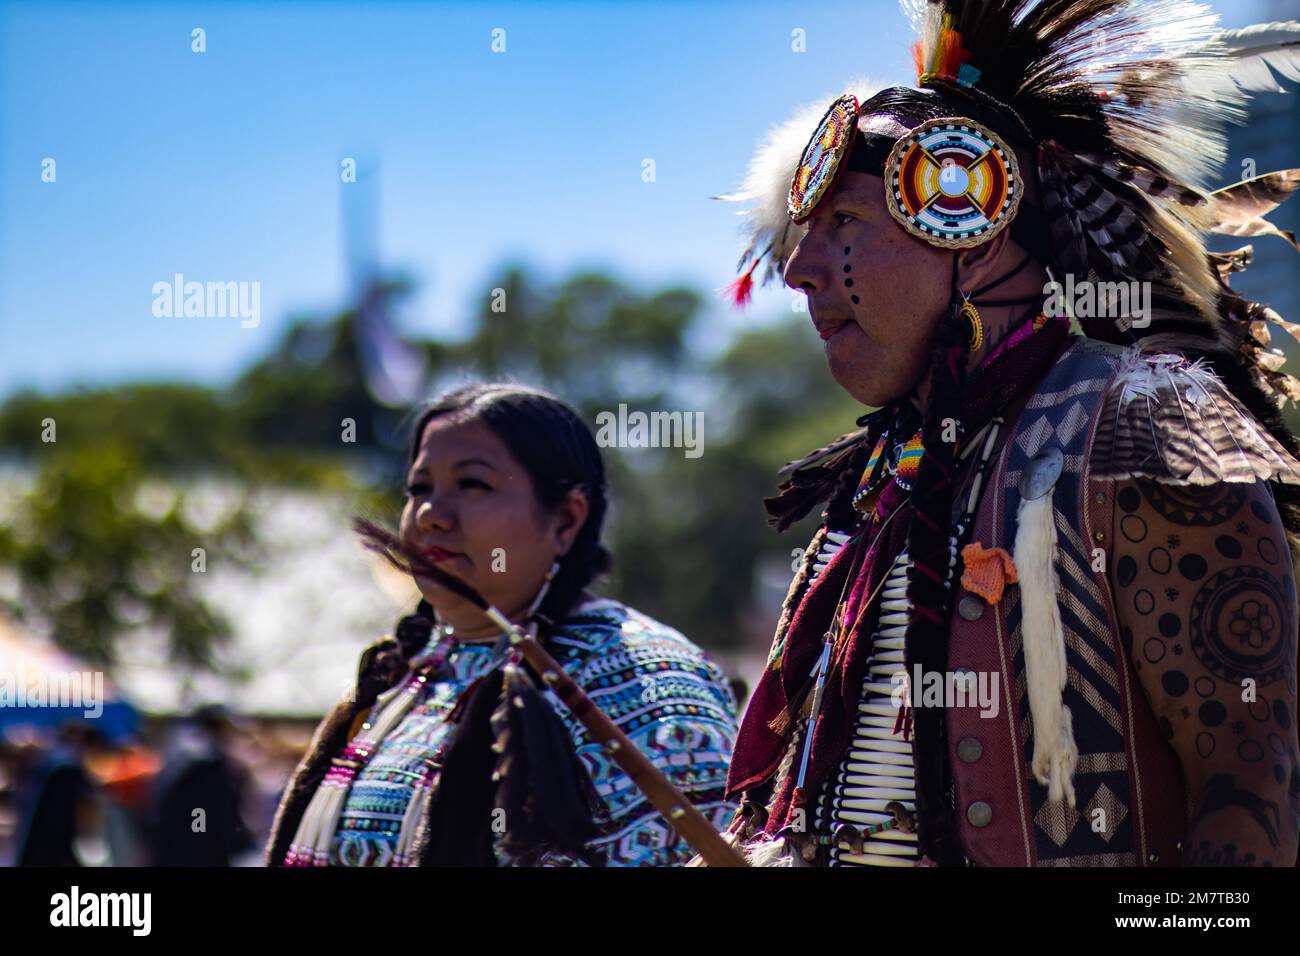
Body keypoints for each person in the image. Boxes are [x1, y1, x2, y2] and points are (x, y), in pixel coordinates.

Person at [715, 0, 1300, 866]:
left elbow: (1254, 798)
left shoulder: (1143, 425)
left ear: (972, 223)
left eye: (843, 223)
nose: (799, 271)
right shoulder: (884, 477)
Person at [266, 383, 738, 866]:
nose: (431, 515)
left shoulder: (653, 681)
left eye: (472, 484)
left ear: (565, 520)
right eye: (419, 488)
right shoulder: (402, 674)